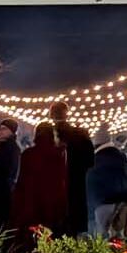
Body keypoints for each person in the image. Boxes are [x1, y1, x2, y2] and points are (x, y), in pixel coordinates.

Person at [9, 120, 69, 247]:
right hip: (51, 203)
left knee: (30, 239)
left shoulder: (28, 154)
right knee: (49, 239)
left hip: (30, 202)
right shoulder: (58, 154)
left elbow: (22, 181)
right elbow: (61, 180)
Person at [52, 101, 95, 236]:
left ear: (52, 115)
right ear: (67, 114)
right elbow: (90, 161)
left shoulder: (47, 134)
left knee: (53, 232)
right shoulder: (80, 135)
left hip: (54, 188)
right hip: (76, 187)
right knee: (72, 230)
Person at [87, 139, 127, 239]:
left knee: (101, 229)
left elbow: (92, 180)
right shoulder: (121, 158)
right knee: (114, 228)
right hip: (119, 199)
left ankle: (103, 250)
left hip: (103, 200)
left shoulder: (98, 159)